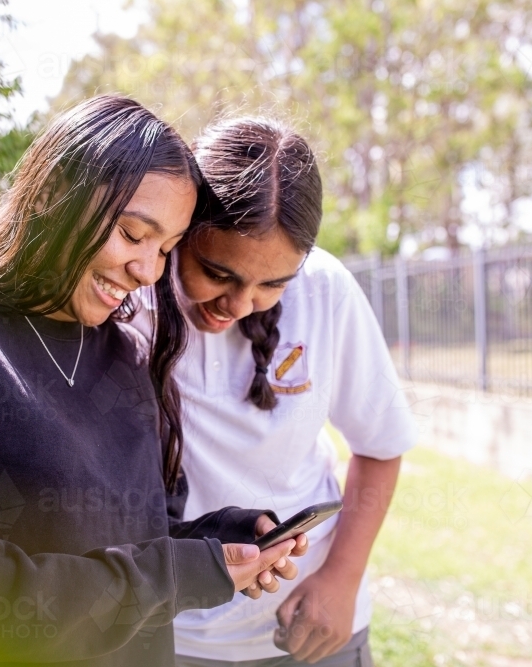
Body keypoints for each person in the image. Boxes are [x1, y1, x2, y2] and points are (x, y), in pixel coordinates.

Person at [0, 97, 304, 667]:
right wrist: (172, 575)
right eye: (131, 233)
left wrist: (217, 543)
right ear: (51, 195)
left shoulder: (123, 356)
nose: (148, 271)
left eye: (166, 248)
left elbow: (130, 538)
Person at [144, 118, 417, 666]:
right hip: (181, 637)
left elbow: (381, 445)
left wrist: (341, 580)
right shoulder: (134, 292)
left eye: (273, 285)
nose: (240, 304)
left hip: (310, 625)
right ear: (183, 234)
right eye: (217, 272)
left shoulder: (327, 289)